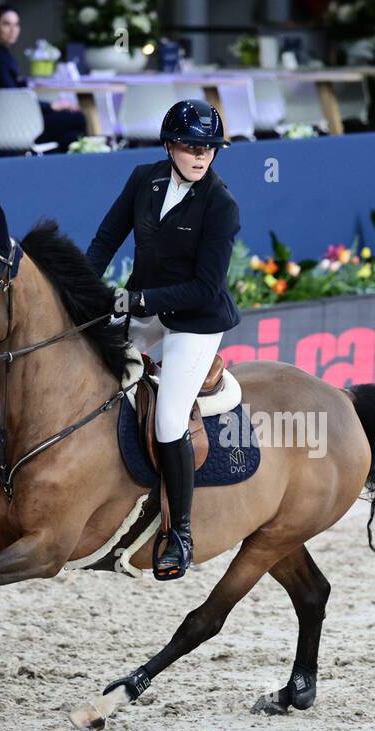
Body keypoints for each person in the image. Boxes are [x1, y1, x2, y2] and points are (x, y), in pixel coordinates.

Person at [84, 100, 242, 580]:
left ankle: (179, 533)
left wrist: (134, 302)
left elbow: (205, 287)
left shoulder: (221, 204)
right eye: (193, 147)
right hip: (148, 309)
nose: (202, 157)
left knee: (170, 419)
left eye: (210, 148)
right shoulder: (143, 179)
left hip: (194, 320)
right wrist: (86, 290)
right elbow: (106, 239)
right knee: (89, 359)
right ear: (170, 145)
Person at [0, 4, 86, 152]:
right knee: (77, 118)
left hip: (10, 123)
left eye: (16, 24)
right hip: (14, 127)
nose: (13, 30)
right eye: (6, 24)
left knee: (71, 136)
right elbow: (13, 99)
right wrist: (52, 106)